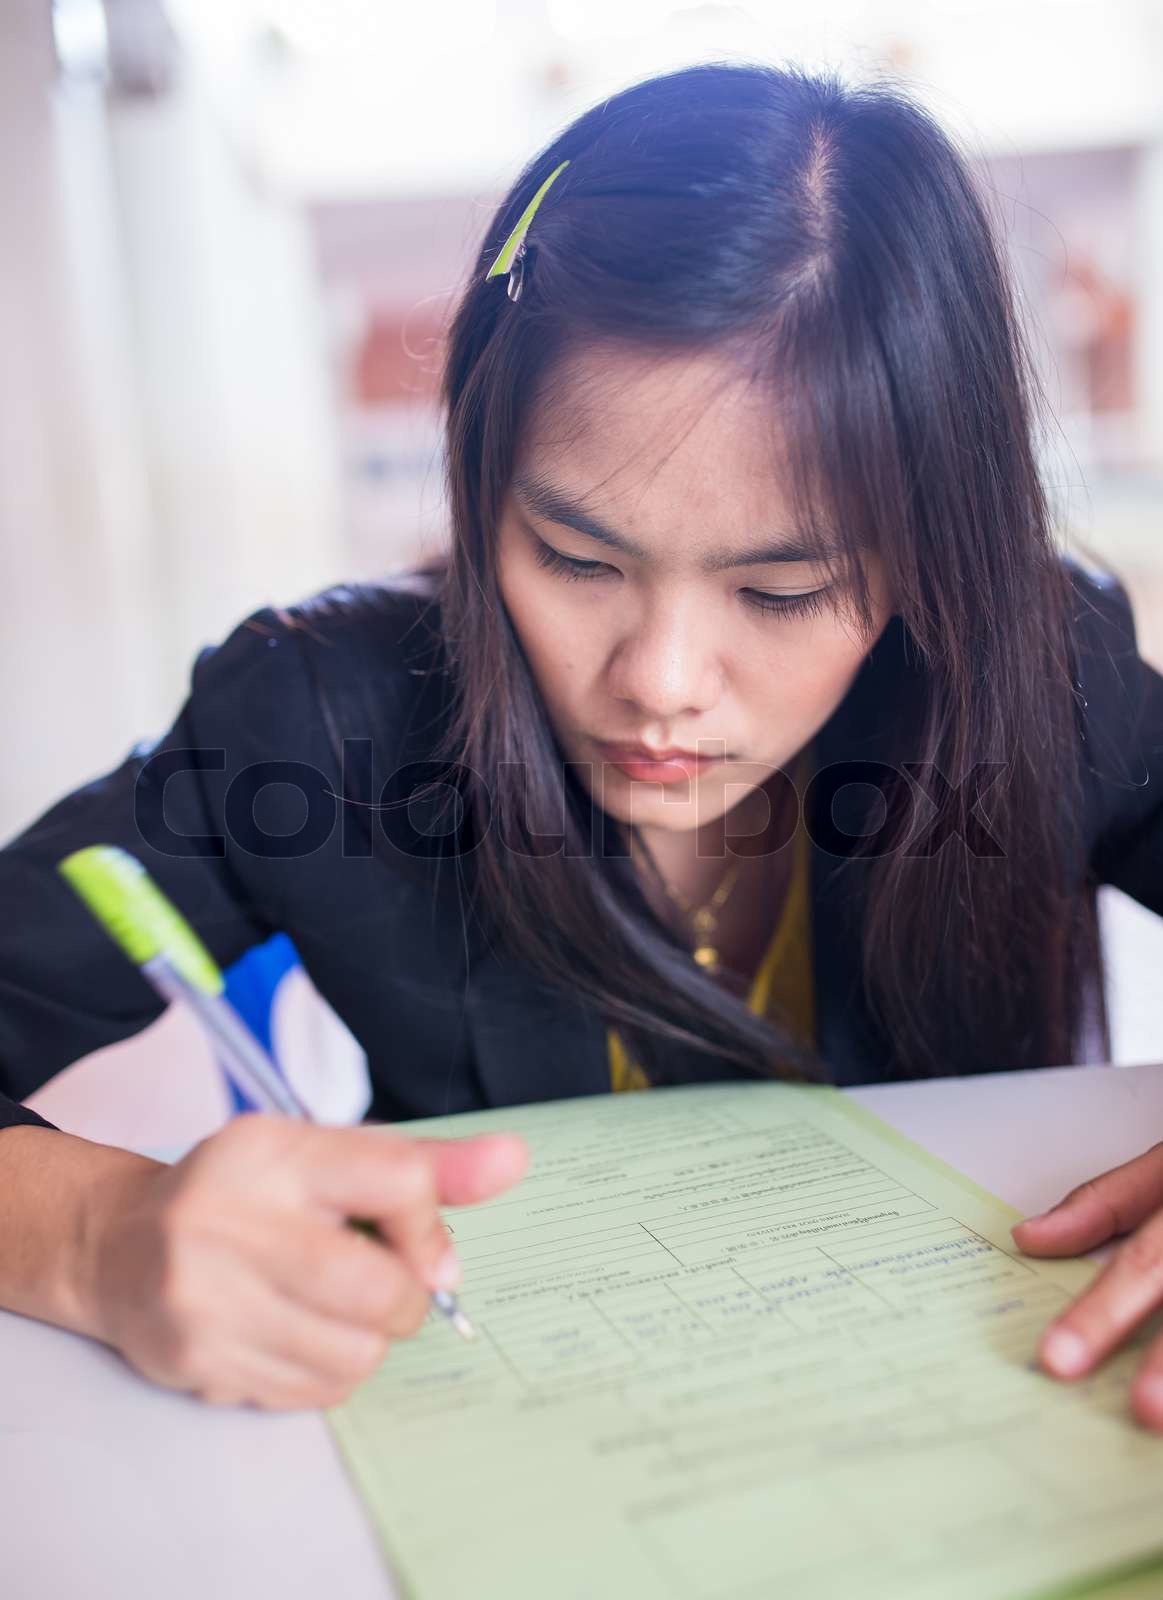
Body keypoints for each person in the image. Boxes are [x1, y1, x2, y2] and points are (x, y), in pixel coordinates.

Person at [2, 61, 1163, 1422]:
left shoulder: (1035, 673)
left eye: (780, 592)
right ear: (478, 477)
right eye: (572, 555)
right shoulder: (318, 723)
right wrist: (91, 1235)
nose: (660, 683)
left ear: (928, 553)